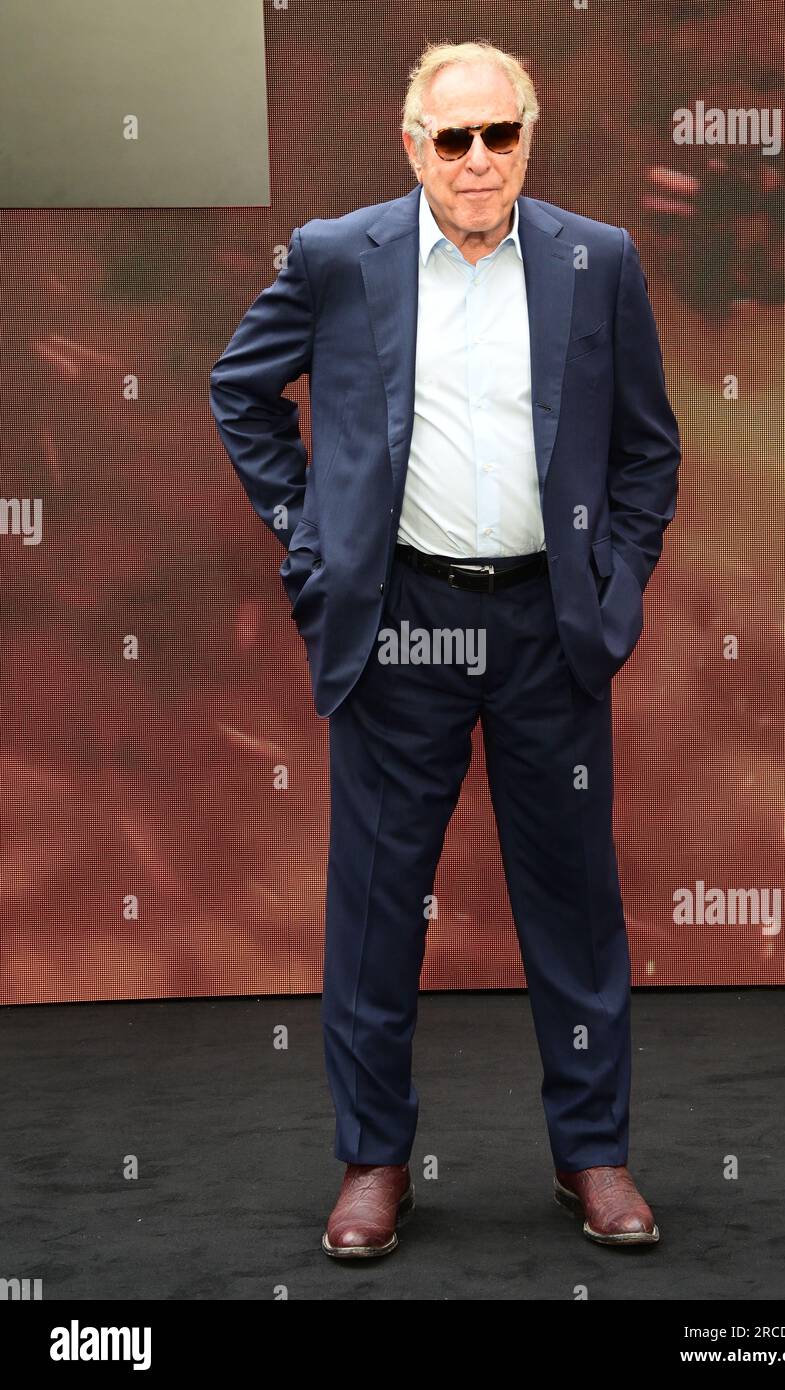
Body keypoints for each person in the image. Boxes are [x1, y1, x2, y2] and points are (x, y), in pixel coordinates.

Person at [209, 39, 681, 1258]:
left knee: (573, 907)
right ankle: (374, 1163)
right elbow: (241, 392)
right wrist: (313, 547)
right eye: (454, 137)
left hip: (547, 628)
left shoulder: (598, 261)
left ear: (529, 137)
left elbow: (646, 451)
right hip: (397, 623)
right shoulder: (334, 259)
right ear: (411, 144)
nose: (479, 161)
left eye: (501, 135)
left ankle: (594, 1158)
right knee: (374, 909)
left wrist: (611, 587)